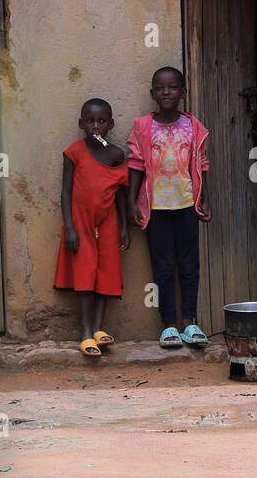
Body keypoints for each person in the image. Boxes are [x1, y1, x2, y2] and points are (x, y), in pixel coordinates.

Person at [126, 66, 211, 348]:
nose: (166, 92)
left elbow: (201, 165)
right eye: (160, 88)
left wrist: (204, 198)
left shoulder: (193, 126)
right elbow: (136, 164)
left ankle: (190, 322)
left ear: (183, 93)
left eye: (173, 87)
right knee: (162, 266)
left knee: (189, 264)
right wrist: (131, 201)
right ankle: (169, 325)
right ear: (152, 93)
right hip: (156, 207)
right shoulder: (143, 127)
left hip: (186, 204)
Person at [53, 98, 130, 357]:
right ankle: (85, 333)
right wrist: (69, 227)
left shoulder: (116, 154)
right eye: (89, 121)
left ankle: (98, 329)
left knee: (107, 271)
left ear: (111, 124)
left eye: (101, 121)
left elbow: (120, 192)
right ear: (81, 123)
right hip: (80, 219)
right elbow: (65, 192)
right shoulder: (73, 152)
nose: (95, 126)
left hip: (108, 220)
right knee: (85, 273)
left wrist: (123, 226)